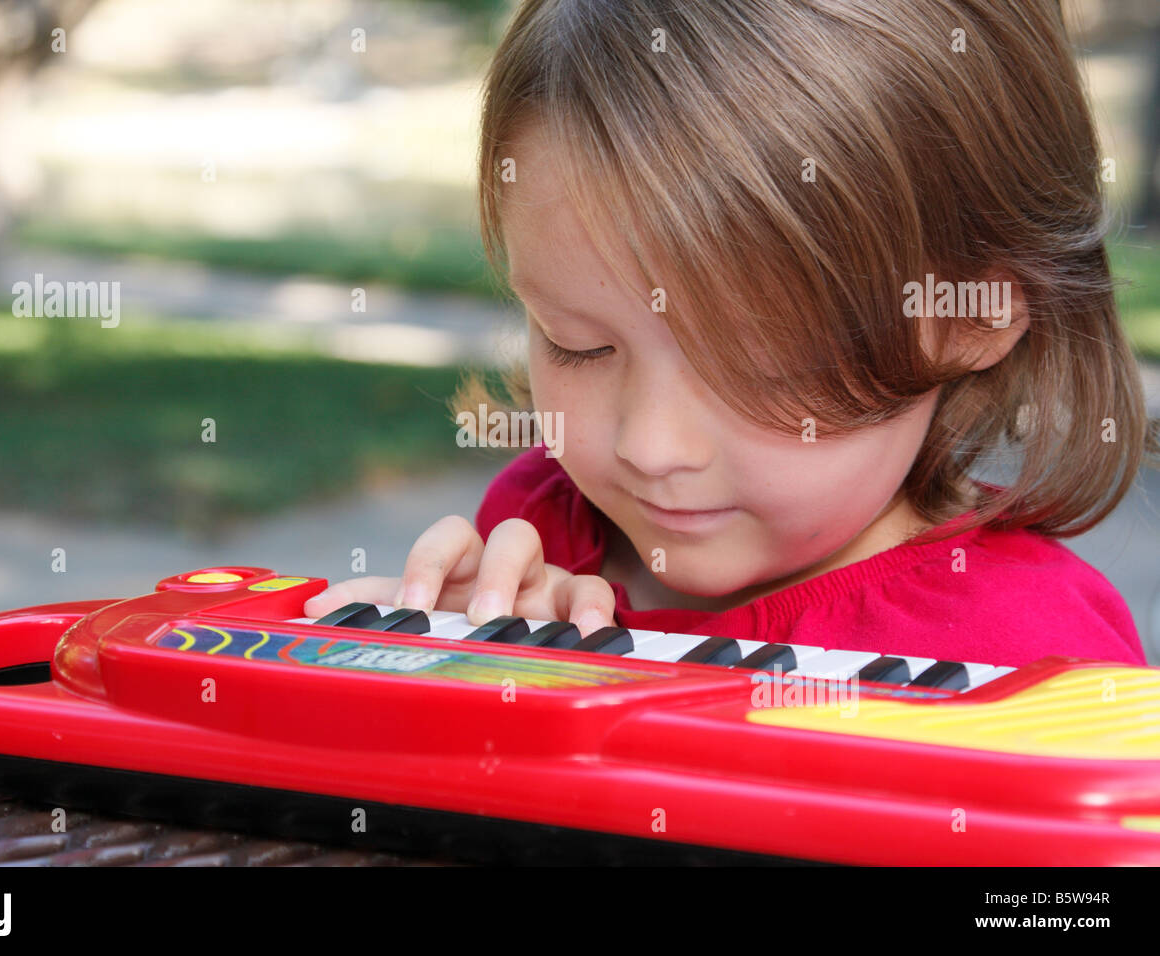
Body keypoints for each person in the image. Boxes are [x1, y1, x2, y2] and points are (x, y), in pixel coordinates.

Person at [306, 0, 1158, 667]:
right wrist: (434, 671)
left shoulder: (1032, 660)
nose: (651, 448)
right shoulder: (537, 538)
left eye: (763, 364)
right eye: (578, 343)